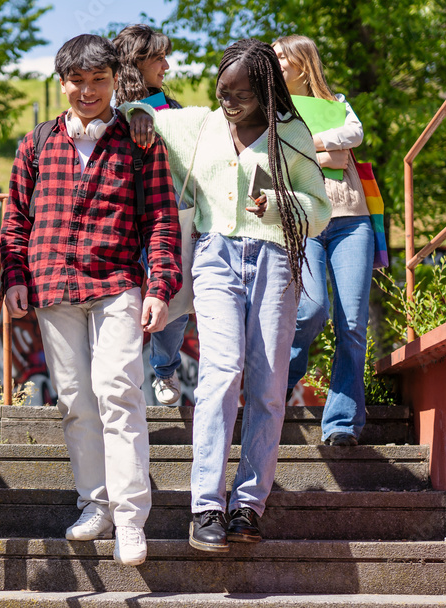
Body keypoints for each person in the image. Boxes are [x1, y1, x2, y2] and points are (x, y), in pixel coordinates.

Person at [121, 38, 331, 553]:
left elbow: (319, 210)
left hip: (277, 259)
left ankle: (248, 505)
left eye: (240, 95)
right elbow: (127, 109)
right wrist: (138, 114)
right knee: (223, 371)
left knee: (266, 384)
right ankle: (207, 505)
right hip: (214, 256)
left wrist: (280, 202)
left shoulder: (292, 132)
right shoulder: (198, 124)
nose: (229, 102)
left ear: (265, 92)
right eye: (222, 92)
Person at [0, 34, 181, 567]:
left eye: (98, 80)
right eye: (77, 80)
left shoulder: (140, 140)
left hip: (117, 284)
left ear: (113, 82)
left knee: (119, 392)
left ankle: (129, 518)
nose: (87, 90)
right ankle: (94, 503)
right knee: (76, 401)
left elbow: (163, 221)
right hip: (52, 287)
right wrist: (14, 274)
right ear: (61, 83)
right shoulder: (35, 144)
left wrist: (160, 286)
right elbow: (15, 219)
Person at [273, 35, 372, 447]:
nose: (274, 63)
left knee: (352, 324)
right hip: (304, 220)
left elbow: (354, 136)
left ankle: (342, 424)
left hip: (352, 220)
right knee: (311, 310)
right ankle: (274, 394)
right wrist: (324, 151)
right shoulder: (271, 111)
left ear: (301, 63)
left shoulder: (337, 103)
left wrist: (305, 146)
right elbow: (270, 153)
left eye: (281, 57)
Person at [113, 24, 188, 407]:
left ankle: (164, 369)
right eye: (158, 57)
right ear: (136, 61)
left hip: (163, 216)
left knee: (172, 298)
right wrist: (133, 111)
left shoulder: (169, 108)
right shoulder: (105, 102)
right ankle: (122, 379)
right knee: (121, 304)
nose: (167, 65)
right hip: (118, 220)